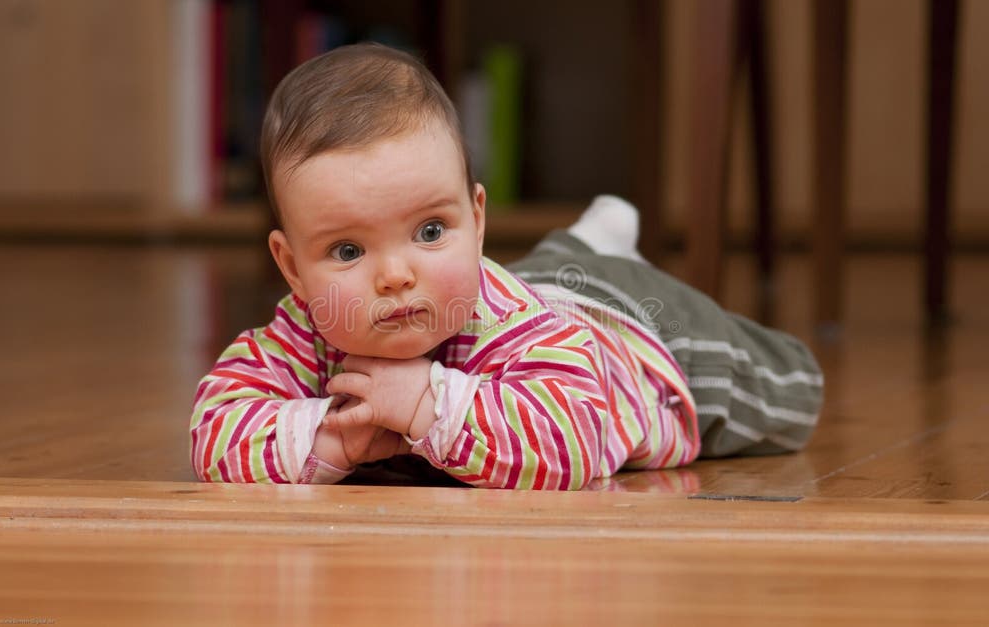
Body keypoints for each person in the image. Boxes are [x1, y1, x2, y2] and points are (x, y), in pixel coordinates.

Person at [190, 43, 823, 490]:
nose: (394, 275)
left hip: (631, 332)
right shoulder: (304, 332)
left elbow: (571, 442)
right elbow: (214, 430)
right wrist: (331, 439)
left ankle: (597, 252)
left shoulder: (521, 328)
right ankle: (586, 241)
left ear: (478, 217)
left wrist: (425, 405)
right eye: (349, 252)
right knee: (525, 274)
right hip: (525, 279)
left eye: (431, 231)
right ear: (292, 267)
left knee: (784, 397)